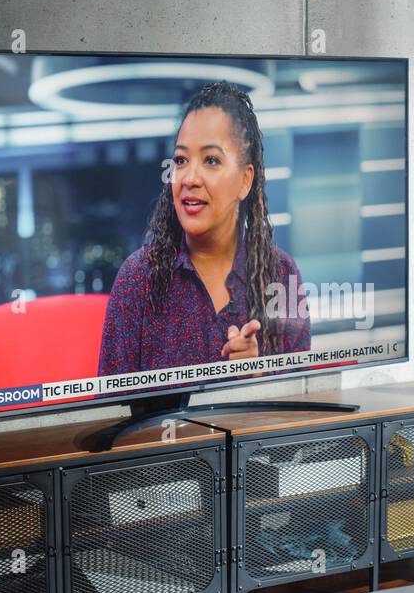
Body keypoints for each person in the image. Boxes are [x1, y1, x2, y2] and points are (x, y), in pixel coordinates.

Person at [98, 81, 311, 378]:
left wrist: (257, 378)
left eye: (211, 160)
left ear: (245, 181)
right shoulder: (138, 278)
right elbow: (113, 412)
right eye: (181, 160)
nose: (189, 178)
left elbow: (300, 406)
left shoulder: (281, 274)